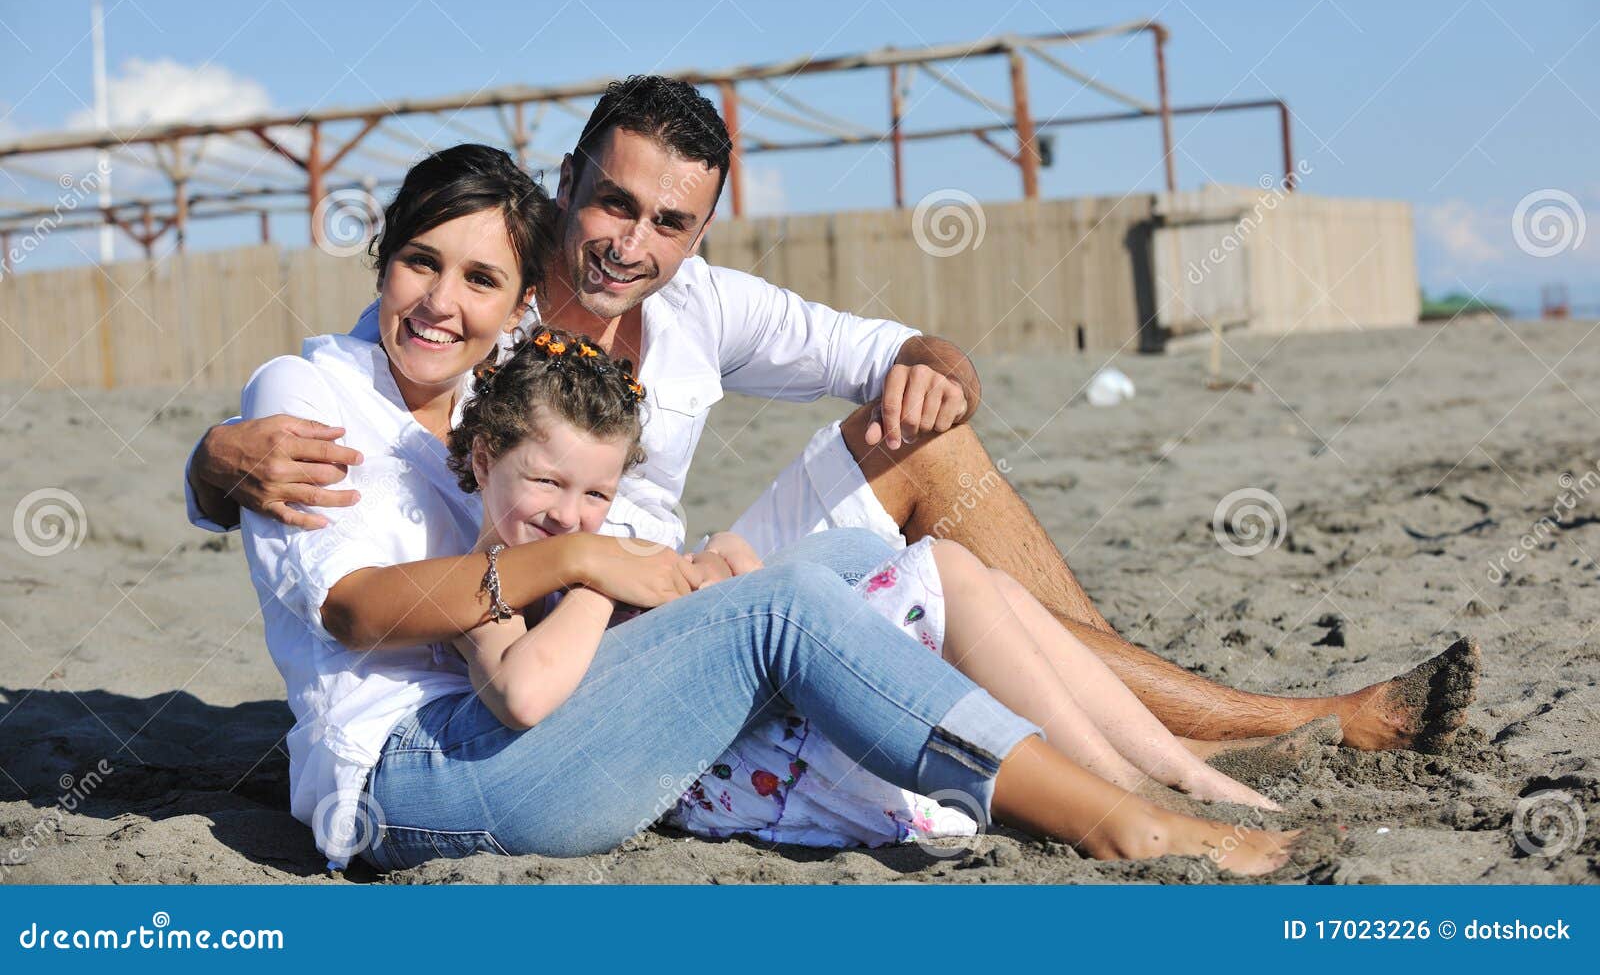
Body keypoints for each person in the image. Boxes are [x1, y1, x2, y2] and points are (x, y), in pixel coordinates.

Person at [188, 76, 1477, 755]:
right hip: (588, 632)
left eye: (668, 222)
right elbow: (370, 377)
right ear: (566, 180)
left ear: (701, 229)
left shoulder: (702, 306)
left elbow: (905, 349)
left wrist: (935, 368)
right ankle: (1293, 720)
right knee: (941, 553)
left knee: (935, 443)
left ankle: (1181, 705)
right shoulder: (490, 302)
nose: (630, 245)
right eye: (611, 203)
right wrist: (209, 463)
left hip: (692, 577)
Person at [235, 142, 1296, 874]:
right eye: (420, 262)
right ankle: (1120, 823)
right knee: (783, 607)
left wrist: (663, 575)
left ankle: (1142, 765)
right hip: (409, 777)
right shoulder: (312, 388)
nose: (440, 300)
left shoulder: (488, 387)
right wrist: (591, 565)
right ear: (381, 258)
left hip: (528, 717)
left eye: (477, 279)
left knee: (844, 560)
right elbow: (353, 612)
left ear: (519, 305)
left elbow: (873, 355)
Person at [442, 326, 1280, 852]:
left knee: (950, 567)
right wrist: (594, 576)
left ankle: (1164, 764)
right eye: (545, 483)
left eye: (595, 495)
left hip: (732, 716)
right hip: (708, 771)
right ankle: (1122, 789)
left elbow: (695, 618)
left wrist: (717, 565)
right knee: (909, 587)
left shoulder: (595, 544)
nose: (569, 516)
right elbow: (525, 690)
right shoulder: (486, 582)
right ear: (484, 460)